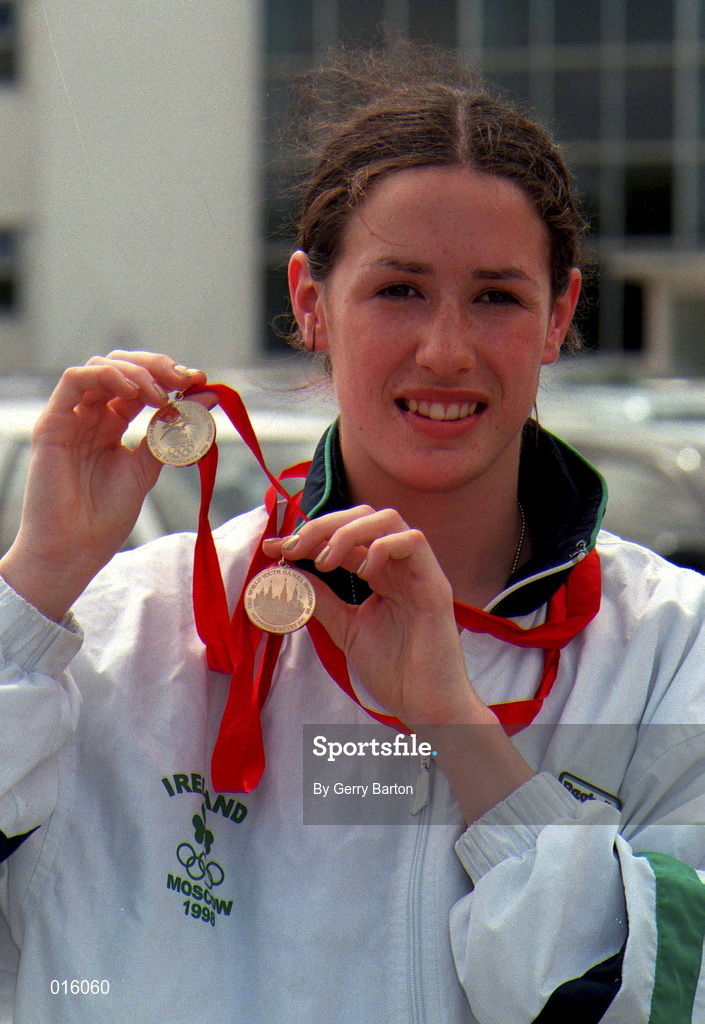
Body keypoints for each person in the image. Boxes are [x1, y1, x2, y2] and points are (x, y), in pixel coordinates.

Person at [0, 45, 704, 1024]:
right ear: (308, 302)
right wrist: (33, 588)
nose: (446, 349)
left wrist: (459, 727)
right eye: (398, 289)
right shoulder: (122, 633)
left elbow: (658, 1002)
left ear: (560, 315)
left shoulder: (674, 648)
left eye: (497, 296)